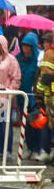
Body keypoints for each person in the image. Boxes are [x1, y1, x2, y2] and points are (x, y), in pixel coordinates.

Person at [35, 31, 54, 164]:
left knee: (49, 125)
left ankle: (48, 154)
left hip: (51, 97)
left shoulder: (49, 53)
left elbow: (46, 75)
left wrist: (39, 93)